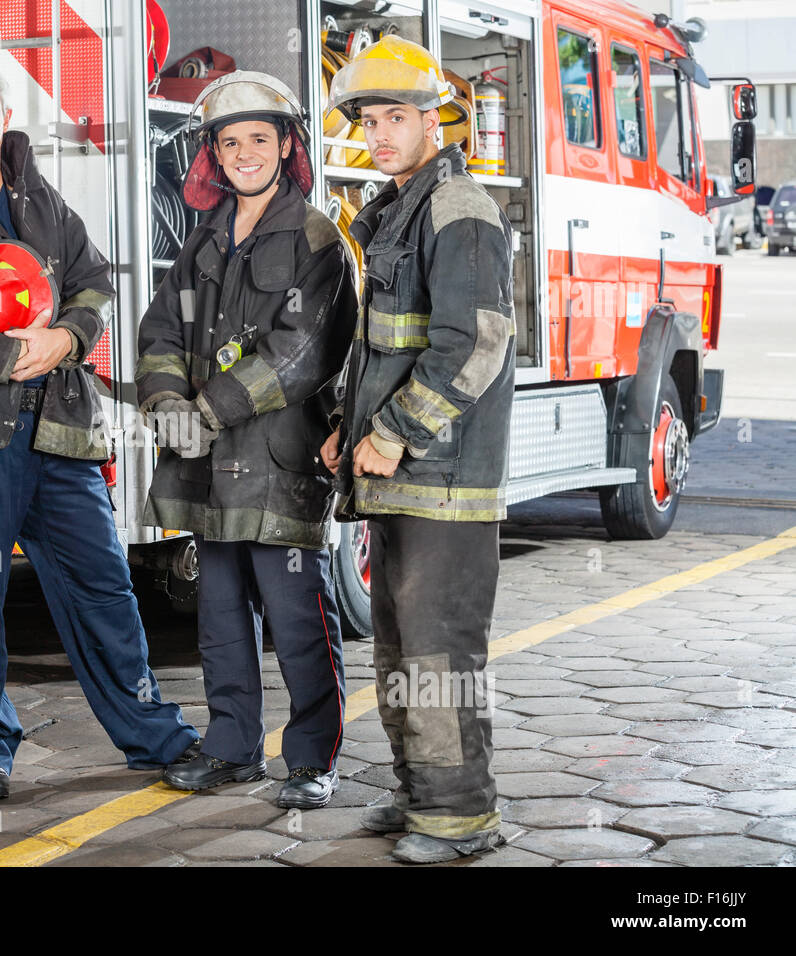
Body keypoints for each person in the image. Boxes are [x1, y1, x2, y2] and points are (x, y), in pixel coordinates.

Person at [0, 58, 198, 802]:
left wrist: (71, 339)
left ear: (4, 116)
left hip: (60, 433)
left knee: (105, 587)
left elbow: (94, 280)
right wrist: (4, 355)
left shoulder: (40, 197)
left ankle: (156, 736)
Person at [137, 71, 356, 809]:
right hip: (208, 472)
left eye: (258, 139)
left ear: (287, 145)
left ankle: (311, 759)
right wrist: (166, 395)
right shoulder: (204, 236)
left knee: (299, 620)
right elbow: (162, 326)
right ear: (213, 155)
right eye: (229, 142)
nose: (244, 153)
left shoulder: (316, 240)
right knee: (221, 617)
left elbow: (302, 354)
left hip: (278, 462)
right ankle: (232, 746)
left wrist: (208, 410)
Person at [323, 34, 516, 863]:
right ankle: (418, 793)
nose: (381, 133)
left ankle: (460, 816)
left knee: (439, 655)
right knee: (402, 648)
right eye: (370, 119)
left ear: (433, 119)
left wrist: (394, 434)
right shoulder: (397, 208)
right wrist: (348, 421)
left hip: (443, 482)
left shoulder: (457, 207)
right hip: (400, 478)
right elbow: (384, 348)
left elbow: (475, 343)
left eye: (396, 116)